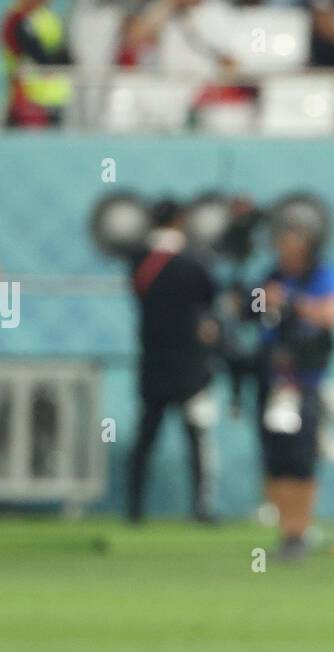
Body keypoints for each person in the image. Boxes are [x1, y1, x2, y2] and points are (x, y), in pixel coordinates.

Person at [253, 224, 334, 560]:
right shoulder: (271, 276)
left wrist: (292, 302)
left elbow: (331, 314)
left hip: (304, 381)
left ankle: (300, 529)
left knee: (301, 457)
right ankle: (286, 531)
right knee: (276, 457)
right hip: (272, 378)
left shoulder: (323, 277)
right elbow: (255, 310)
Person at [127, 198, 221, 523]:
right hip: (188, 364)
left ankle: (135, 508)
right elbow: (210, 298)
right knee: (195, 437)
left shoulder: (139, 261)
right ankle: (201, 508)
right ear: (180, 221)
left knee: (145, 438)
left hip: (151, 361)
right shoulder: (193, 262)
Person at [0, 0, 73, 128]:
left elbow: (64, 53)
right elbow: (36, 53)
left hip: (52, 95)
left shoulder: (46, 18)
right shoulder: (18, 19)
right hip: (28, 96)